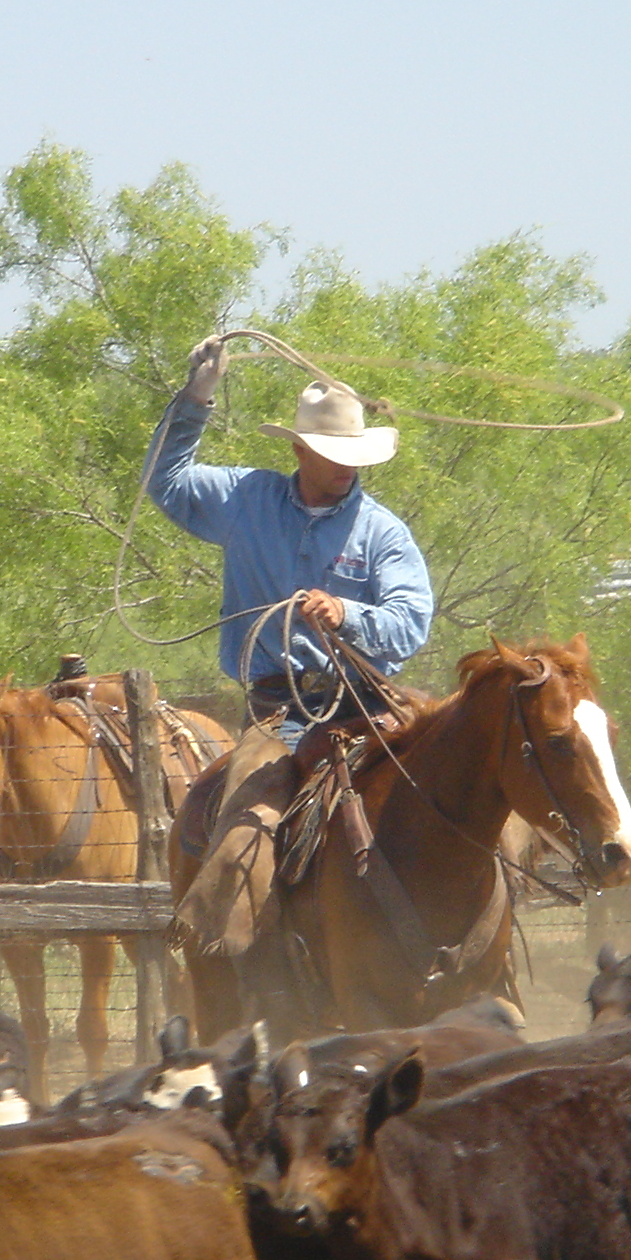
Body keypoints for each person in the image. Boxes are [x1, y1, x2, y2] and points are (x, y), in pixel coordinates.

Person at [148, 332, 434, 999]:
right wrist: (197, 397)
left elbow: (410, 622)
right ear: (299, 450)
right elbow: (164, 481)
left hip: (365, 703)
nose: (345, 468)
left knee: (454, 773)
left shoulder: (382, 532)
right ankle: (254, 972)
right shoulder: (245, 501)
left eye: (353, 456)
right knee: (245, 826)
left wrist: (349, 614)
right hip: (279, 717)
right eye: (332, 454)